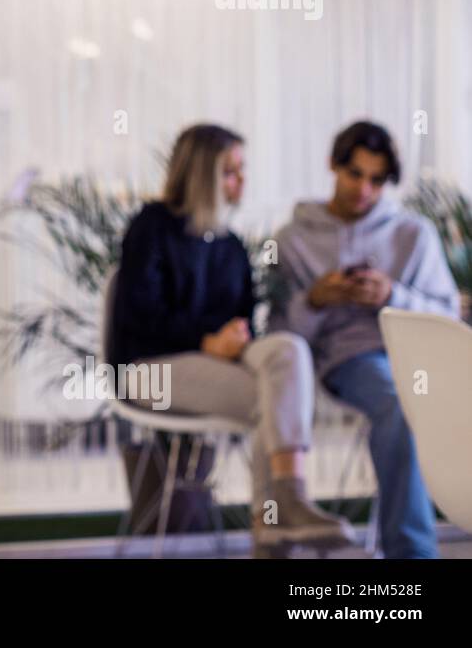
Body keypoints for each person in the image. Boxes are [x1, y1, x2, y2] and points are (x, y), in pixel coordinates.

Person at [111, 124, 351, 555]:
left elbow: (242, 321)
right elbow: (139, 317)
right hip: (147, 368)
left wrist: (237, 337)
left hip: (216, 362)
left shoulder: (231, 246)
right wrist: (206, 341)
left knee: (289, 350)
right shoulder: (152, 227)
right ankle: (276, 518)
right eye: (230, 171)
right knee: (272, 397)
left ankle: (285, 506)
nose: (241, 180)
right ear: (201, 174)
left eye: (242, 170)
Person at [268, 120, 456, 559]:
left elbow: (447, 317)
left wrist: (392, 295)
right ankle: (412, 555)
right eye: (355, 174)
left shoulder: (414, 234)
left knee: (413, 394)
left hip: (419, 358)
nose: (364, 190)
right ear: (333, 165)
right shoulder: (292, 241)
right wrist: (314, 301)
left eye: (377, 180)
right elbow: (279, 343)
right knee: (399, 402)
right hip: (349, 363)